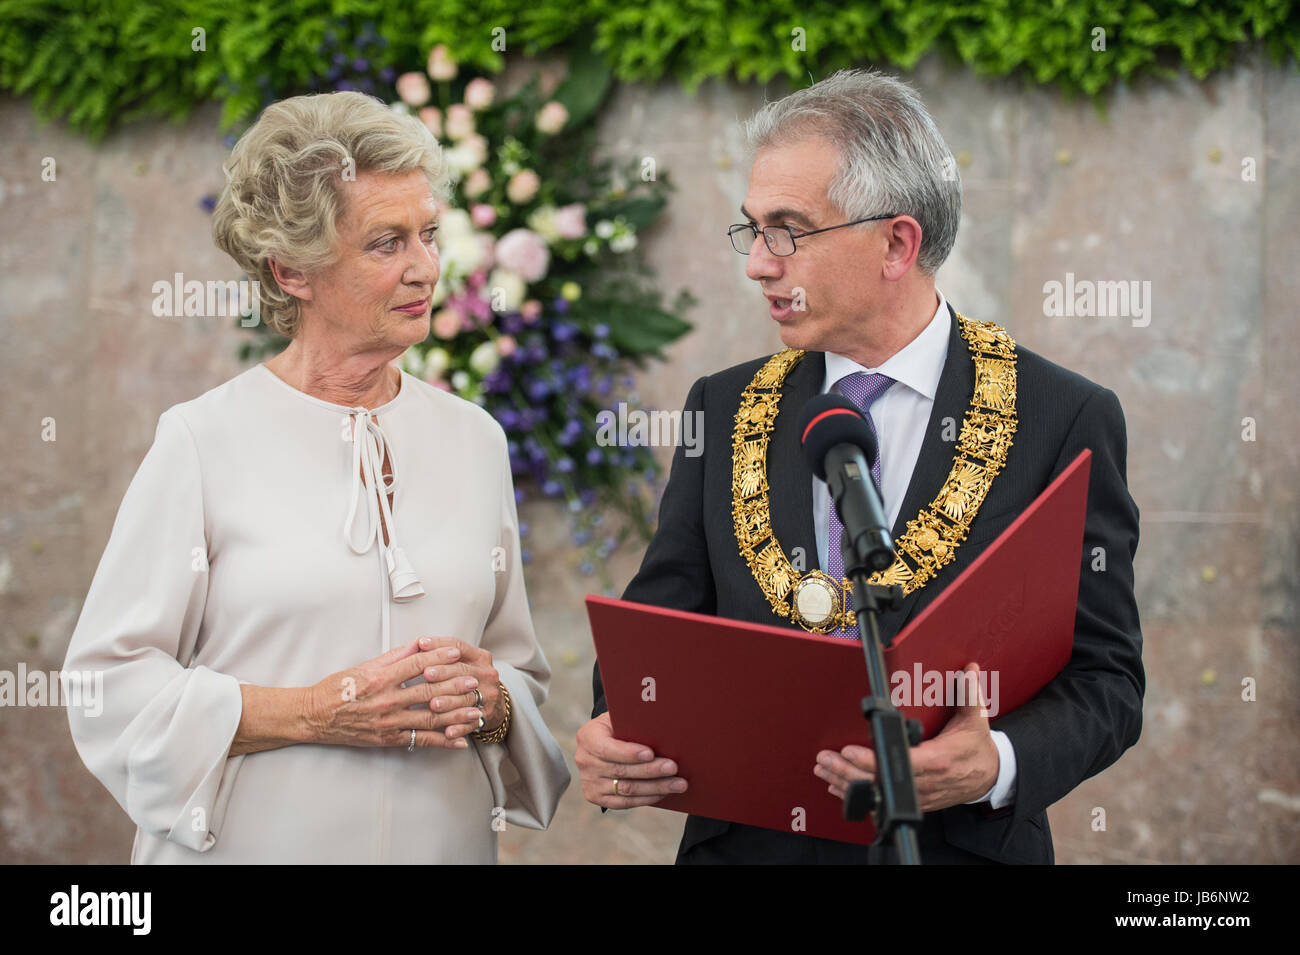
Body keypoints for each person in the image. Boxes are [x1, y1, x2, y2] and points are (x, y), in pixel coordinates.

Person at [576, 70, 1144, 864]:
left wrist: (996, 762)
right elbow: (662, 630)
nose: (759, 265)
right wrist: (614, 725)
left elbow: (1108, 679)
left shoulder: (1062, 416)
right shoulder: (722, 405)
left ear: (896, 243)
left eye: (788, 229)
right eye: (753, 229)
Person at [63, 91, 569, 864]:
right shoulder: (201, 440)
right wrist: (313, 711)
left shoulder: (476, 440)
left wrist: (493, 701)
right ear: (291, 269)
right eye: (385, 243)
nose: (425, 267)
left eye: (429, 234)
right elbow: (109, 684)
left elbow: (518, 678)